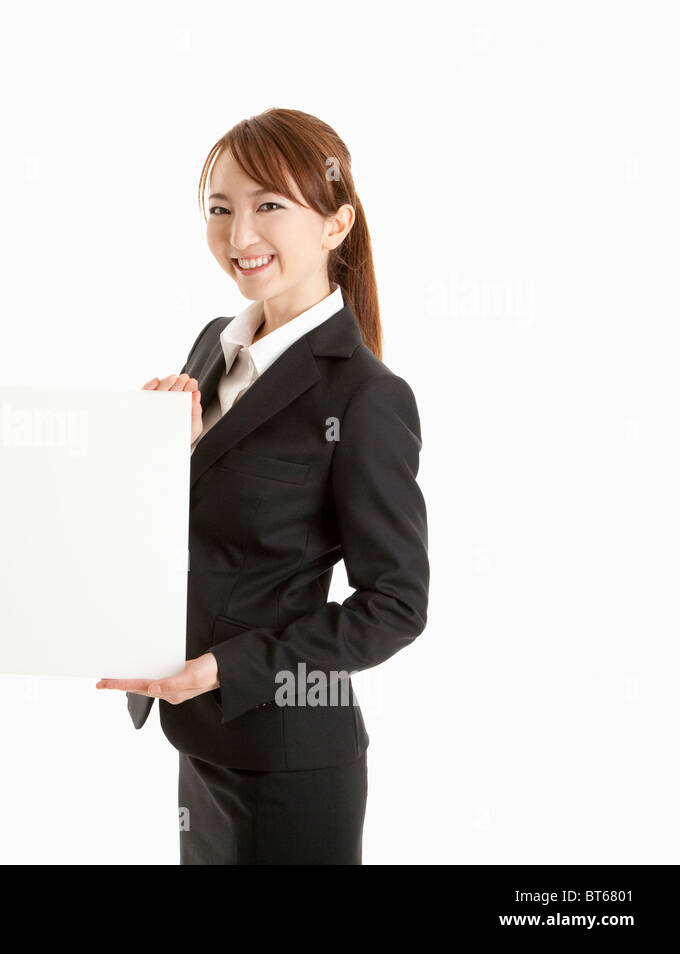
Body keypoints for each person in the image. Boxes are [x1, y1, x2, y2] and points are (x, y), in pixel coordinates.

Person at [98, 108, 430, 864]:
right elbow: (200, 525)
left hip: (290, 763)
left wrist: (227, 668)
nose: (239, 235)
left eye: (269, 206)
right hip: (203, 739)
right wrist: (157, 456)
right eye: (221, 209)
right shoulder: (213, 349)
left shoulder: (367, 397)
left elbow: (396, 606)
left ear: (337, 224)